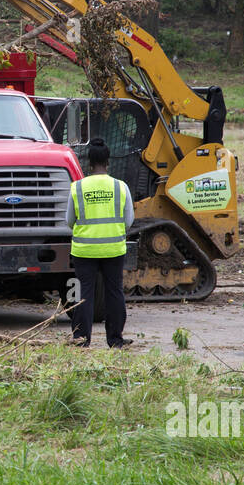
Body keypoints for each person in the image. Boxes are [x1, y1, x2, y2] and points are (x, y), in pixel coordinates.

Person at [66, 137, 133, 348]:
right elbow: (129, 221)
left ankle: (81, 339)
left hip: (84, 249)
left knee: (84, 292)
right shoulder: (120, 187)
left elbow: (69, 221)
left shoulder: (77, 188)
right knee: (114, 292)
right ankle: (115, 339)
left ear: (88, 163)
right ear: (108, 162)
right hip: (113, 248)